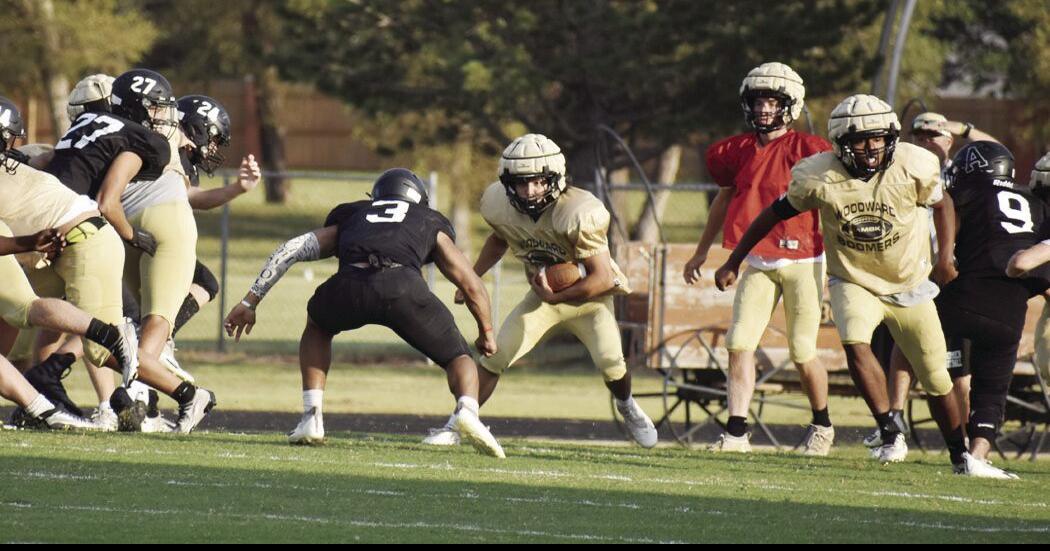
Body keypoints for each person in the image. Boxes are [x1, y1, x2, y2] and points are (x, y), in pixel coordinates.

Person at [714, 94, 969, 471]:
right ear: (840, 144)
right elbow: (772, 214)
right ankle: (889, 430)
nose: (870, 148)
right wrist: (735, 260)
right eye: (860, 140)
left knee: (935, 375)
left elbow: (942, 203)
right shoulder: (818, 173)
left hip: (908, 282)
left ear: (891, 138)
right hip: (854, 279)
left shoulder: (914, 164)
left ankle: (960, 455)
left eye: (877, 139)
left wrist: (945, 256)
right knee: (854, 342)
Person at [224, 168, 505, 457]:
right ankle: (467, 411)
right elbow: (471, 284)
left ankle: (311, 416)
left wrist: (249, 303)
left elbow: (291, 249)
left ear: (377, 196)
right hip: (403, 286)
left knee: (318, 326)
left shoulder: (354, 214)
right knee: (458, 357)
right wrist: (486, 333)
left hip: (350, 284)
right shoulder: (428, 219)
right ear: (419, 200)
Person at [423, 134, 658, 449]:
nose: (529, 191)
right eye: (520, 183)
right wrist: (473, 277)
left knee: (610, 361)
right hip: (542, 298)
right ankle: (457, 424)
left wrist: (556, 296)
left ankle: (627, 405)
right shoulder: (499, 204)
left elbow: (602, 278)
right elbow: (499, 238)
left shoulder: (579, 211)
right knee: (496, 355)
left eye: (537, 182)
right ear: (508, 183)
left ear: (555, 178)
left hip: (588, 300)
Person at [42, 70, 215, 433]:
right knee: (99, 337)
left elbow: (64, 176)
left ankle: (48, 390)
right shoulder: (139, 137)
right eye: (156, 108)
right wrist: (132, 235)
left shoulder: (84, 125)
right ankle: (182, 395)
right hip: (86, 231)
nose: (163, 116)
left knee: (96, 338)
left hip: (68, 228)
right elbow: (109, 200)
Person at [682, 62, 834, 454]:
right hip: (757, 261)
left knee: (802, 351)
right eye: (758, 101)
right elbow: (725, 198)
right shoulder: (734, 150)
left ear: (790, 105)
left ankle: (822, 426)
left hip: (804, 260)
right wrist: (702, 251)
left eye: (773, 101)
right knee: (738, 343)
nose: (764, 109)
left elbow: (835, 200)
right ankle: (735, 434)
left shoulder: (810, 149)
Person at [867, 113, 1004, 448]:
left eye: (932, 135)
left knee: (958, 364)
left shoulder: (962, 170)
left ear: (948, 140)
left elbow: (999, 153)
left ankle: (970, 441)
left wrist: (966, 128)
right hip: (916, 269)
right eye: (919, 136)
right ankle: (893, 423)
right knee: (905, 341)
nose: (925, 141)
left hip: (954, 273)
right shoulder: (907, 169)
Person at [930, 141, 1048, 478]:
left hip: (963, 293)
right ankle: (977, 456)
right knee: (993, 388)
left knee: (911, 352)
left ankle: (892, 425)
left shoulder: (967, 193)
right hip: (1009, 309)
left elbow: (945, 207)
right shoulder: (1037, 205)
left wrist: (944, 258)